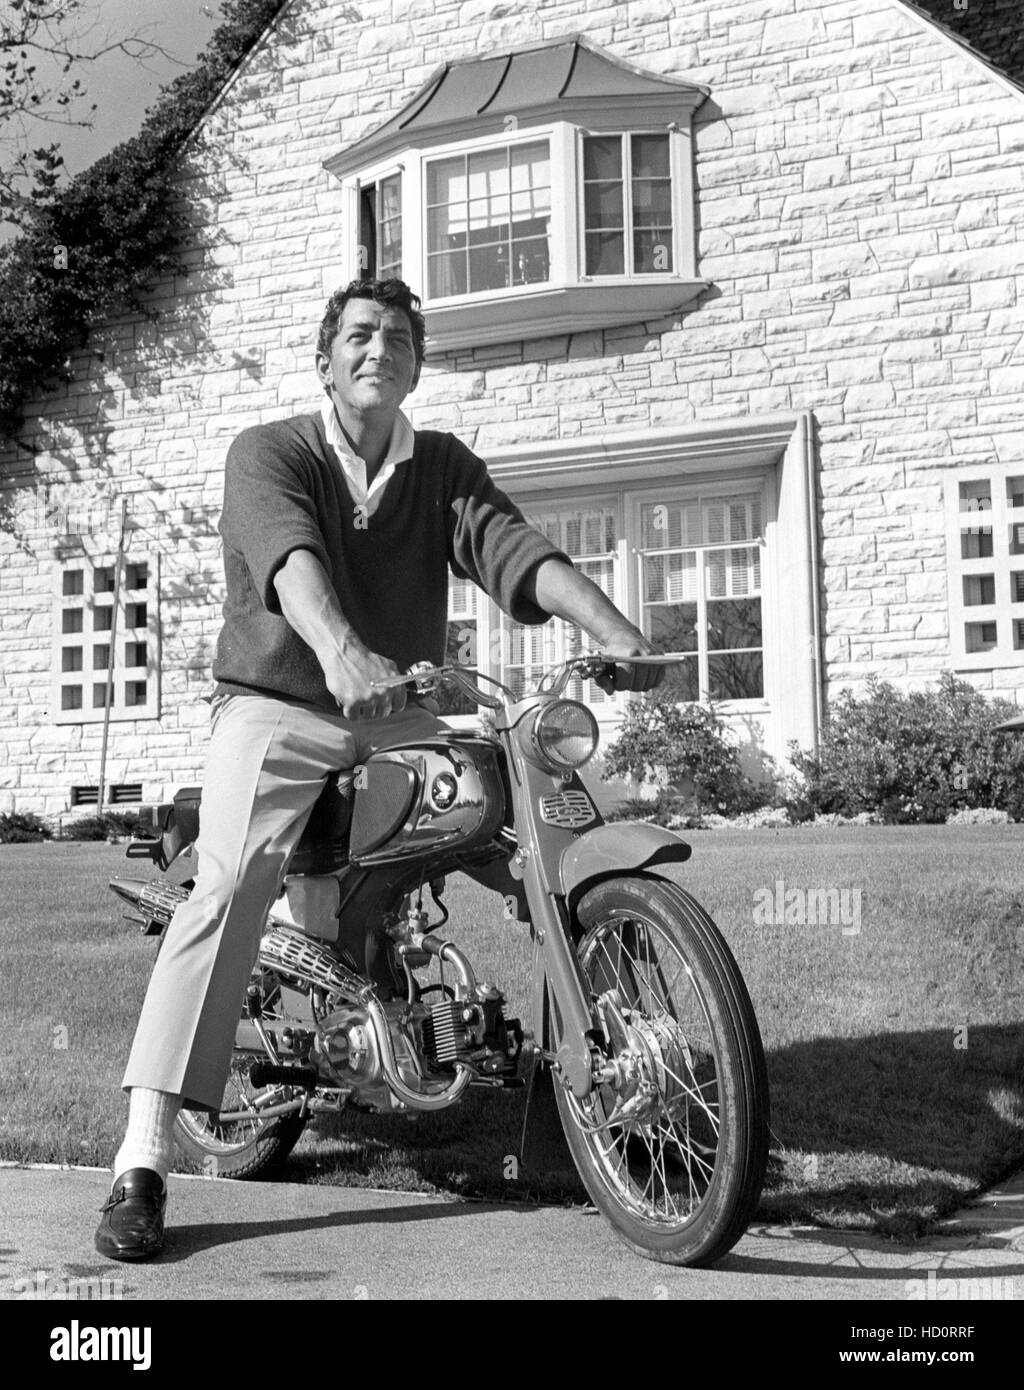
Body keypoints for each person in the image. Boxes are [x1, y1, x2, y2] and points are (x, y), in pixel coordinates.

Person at [95, 277, 663, 1260]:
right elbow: (291, 560)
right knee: (228, 884)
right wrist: (345, 655)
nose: (379, 347)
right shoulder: (269, 451)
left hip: (400, 711)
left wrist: (614, 628)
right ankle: (141, 1157)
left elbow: (512, 548)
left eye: (399, 337)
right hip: (278, 703)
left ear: (415, 363)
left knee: (534, 822)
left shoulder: (438, 464)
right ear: (325, 358)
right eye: (359, 334)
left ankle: (610, 1072)